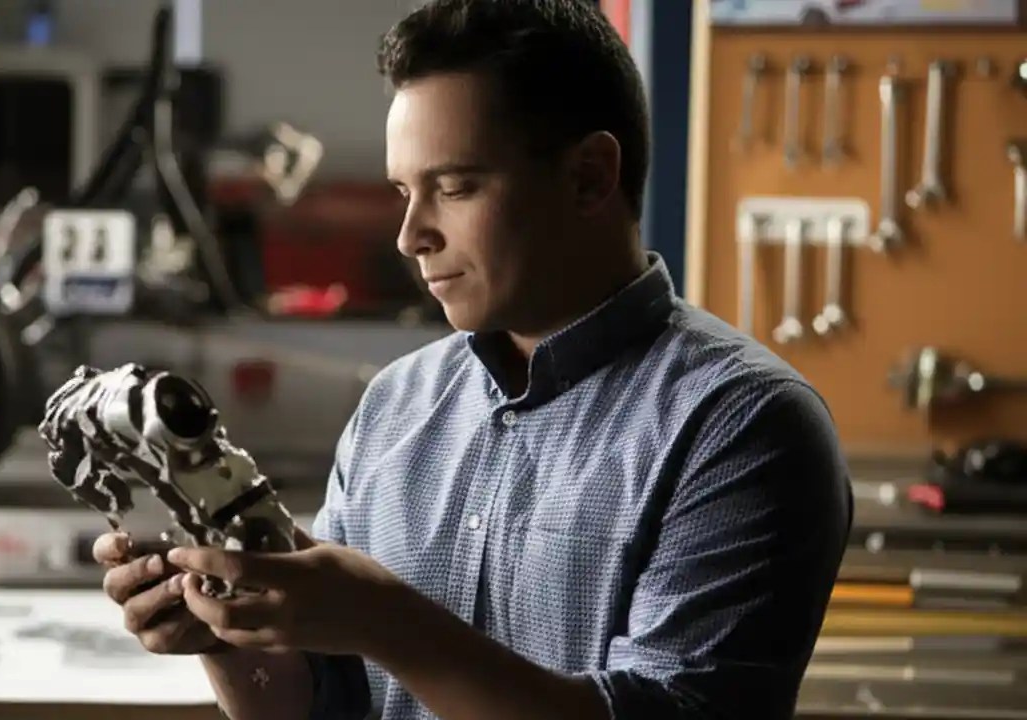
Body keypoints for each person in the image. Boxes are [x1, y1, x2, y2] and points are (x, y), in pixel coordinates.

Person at [92, 1, 854, 718]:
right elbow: (330, 703)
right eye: (403, 191)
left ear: (590, 176)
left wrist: (384, 620)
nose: (410, 235)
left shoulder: (742, 427)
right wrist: (229, 637)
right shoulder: (395, 405)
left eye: (453, 187)